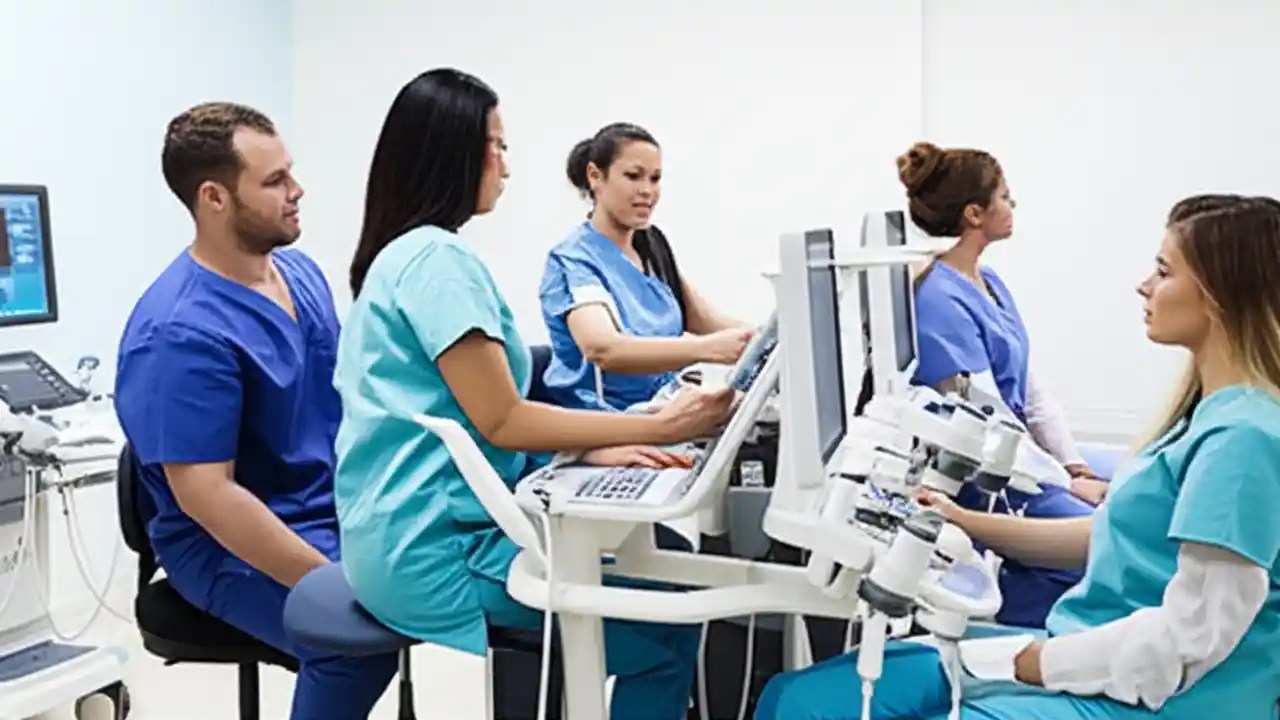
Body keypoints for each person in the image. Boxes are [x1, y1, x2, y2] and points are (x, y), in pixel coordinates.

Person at [755, 194, 1280, 720]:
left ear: (1220, 297)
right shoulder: (1206, 414)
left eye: (1164, 272)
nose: (1144, 285)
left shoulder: (1242, 439)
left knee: (823, 709)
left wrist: (1041, 663)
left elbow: (1192, 636)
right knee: (799, 695)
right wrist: (966, 521)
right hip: (1103, 654)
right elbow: (1117, 537)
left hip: (1167, 696)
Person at [333, 69, 734, 720]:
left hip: (415, 527)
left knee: (665, 571)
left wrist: (580, 453)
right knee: (664, 629)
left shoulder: (411, 255)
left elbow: (472, 419)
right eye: (496, 146)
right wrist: (655, 429)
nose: (507, 166)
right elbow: (504, 418)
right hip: (434, 550)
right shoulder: (439, 263)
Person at [113, 103, 396, 719]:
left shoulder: (299, 274)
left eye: (290, 173)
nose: (298, 192)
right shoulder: (179, 330)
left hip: (327, 507)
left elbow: (343, 399)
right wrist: (329, 582)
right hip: (226, 544)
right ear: (213, 197)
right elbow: (208, 497)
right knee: (353, 644)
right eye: (274, 182)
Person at [895, 141, 1102, 628]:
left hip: (1025, 458)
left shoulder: (988, 282)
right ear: (974, 214)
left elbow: (1030, 390)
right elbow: (988, 423)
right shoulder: (940, 302)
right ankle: (1019, 621)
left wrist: (1075, 465)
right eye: (1005, 197)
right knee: (1103, 543)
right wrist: (1067, 481)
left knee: (1125, 476)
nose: (1013, 206)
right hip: (993, 477)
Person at [538, 122, 753, 412]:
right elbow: (603, 348)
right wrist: (708, 350)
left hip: (666, 406)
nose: (647, 191)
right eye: (633, 176)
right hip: (609, 422)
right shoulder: (574, 260)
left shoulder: (651, 245)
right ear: (595, 176)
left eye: (655, 179)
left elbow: (702, 318)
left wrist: (772, 339)